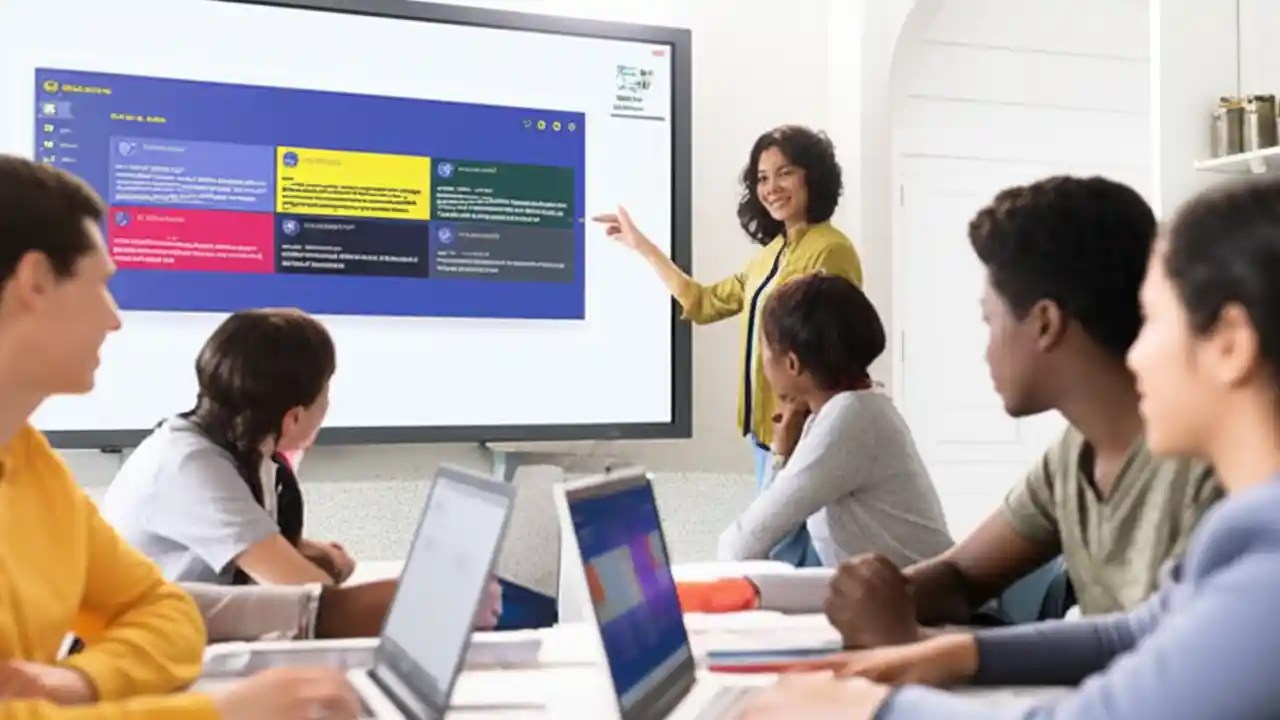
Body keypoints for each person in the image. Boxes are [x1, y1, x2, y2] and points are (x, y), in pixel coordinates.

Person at [737, 172, 1280, 720]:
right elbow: (1136, 632)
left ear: (1230, 345)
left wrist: (876, 707)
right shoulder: (1240, 526)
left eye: (1157, 321)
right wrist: (950, 652)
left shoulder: (1254, 530)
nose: (1136, 353)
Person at [0, 154, 356, 718]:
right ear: (36, 282)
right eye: (101, 284)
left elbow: (164, 612)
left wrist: (78, 684)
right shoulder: (182, 457)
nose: (114, 318)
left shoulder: (28, 463)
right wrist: (226, 713)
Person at [822, 175, 1222, 649]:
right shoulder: (1073, 455)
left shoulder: (1206, 466)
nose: (986, 351)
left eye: (989, 321)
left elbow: (1170, 658)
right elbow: (961, 574)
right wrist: (880, 595)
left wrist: (919, 640)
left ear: (1045, 324)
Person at [595, 125, 863, 566]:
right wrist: (642, 246)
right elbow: (702, 303)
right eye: (762, 178)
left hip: (801, 432)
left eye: (784, 173)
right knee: (778, 557)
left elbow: (839, 347)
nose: (771, 188)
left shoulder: (831, 250)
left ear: (812, 176)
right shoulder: (770, 255)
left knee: (790, 559)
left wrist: (798, 418)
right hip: (765, 435)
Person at [717, 272, 952, 568]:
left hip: (926, 596)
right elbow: (774, 537)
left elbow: (741, 546)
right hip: (906, 592)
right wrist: (782, 453)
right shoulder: (850, 410)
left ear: (792, 363)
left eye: (763, 348)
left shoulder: (850, 418)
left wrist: (779, 458)